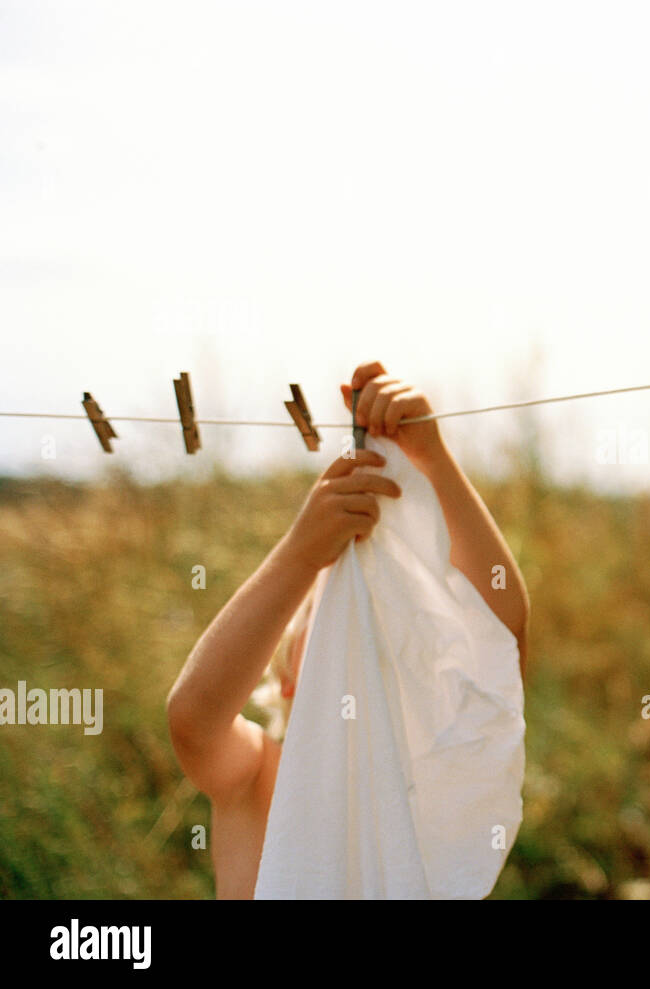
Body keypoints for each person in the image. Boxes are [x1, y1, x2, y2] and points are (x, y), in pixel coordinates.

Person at [165, 361, 529, 899]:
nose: (362, 637)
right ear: (289, 678)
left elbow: (501, 638)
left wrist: (435, 461)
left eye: (386, 631)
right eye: (334, 622)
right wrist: (299, 557)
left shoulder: (427, 779)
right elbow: (194, 720)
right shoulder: (256, 776)